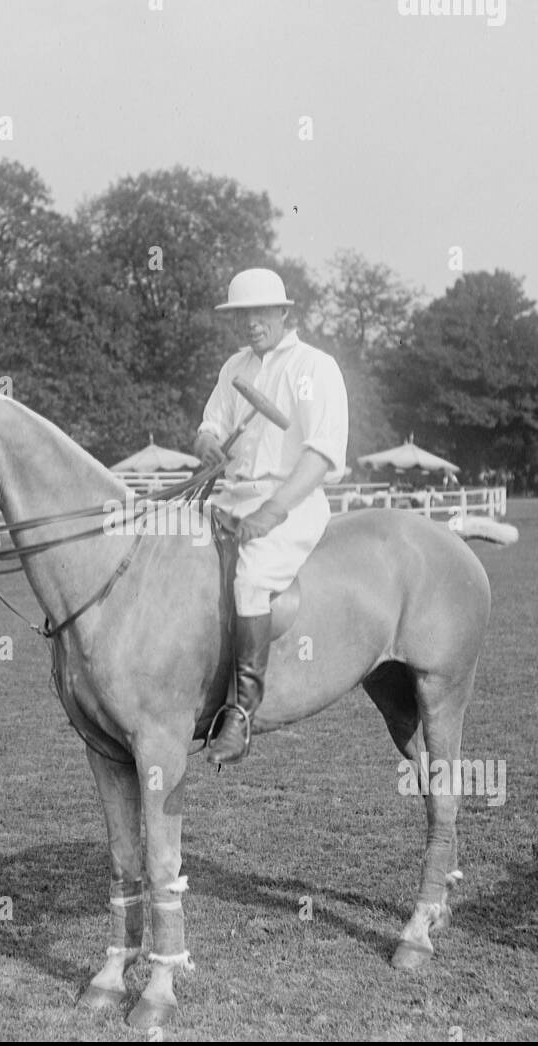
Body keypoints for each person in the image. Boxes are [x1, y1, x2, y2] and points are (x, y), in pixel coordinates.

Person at [194, 268, 349, 764]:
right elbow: (208, 427)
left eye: (261, 312)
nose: (251, 323)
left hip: (293, 501)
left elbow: (321, 456)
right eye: (243, 315)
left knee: (251, 580)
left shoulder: (315, 368)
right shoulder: (234, 368)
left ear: (284, 312)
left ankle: (241, 714)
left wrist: (273, 510)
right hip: (232, 496)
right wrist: (209, 446)